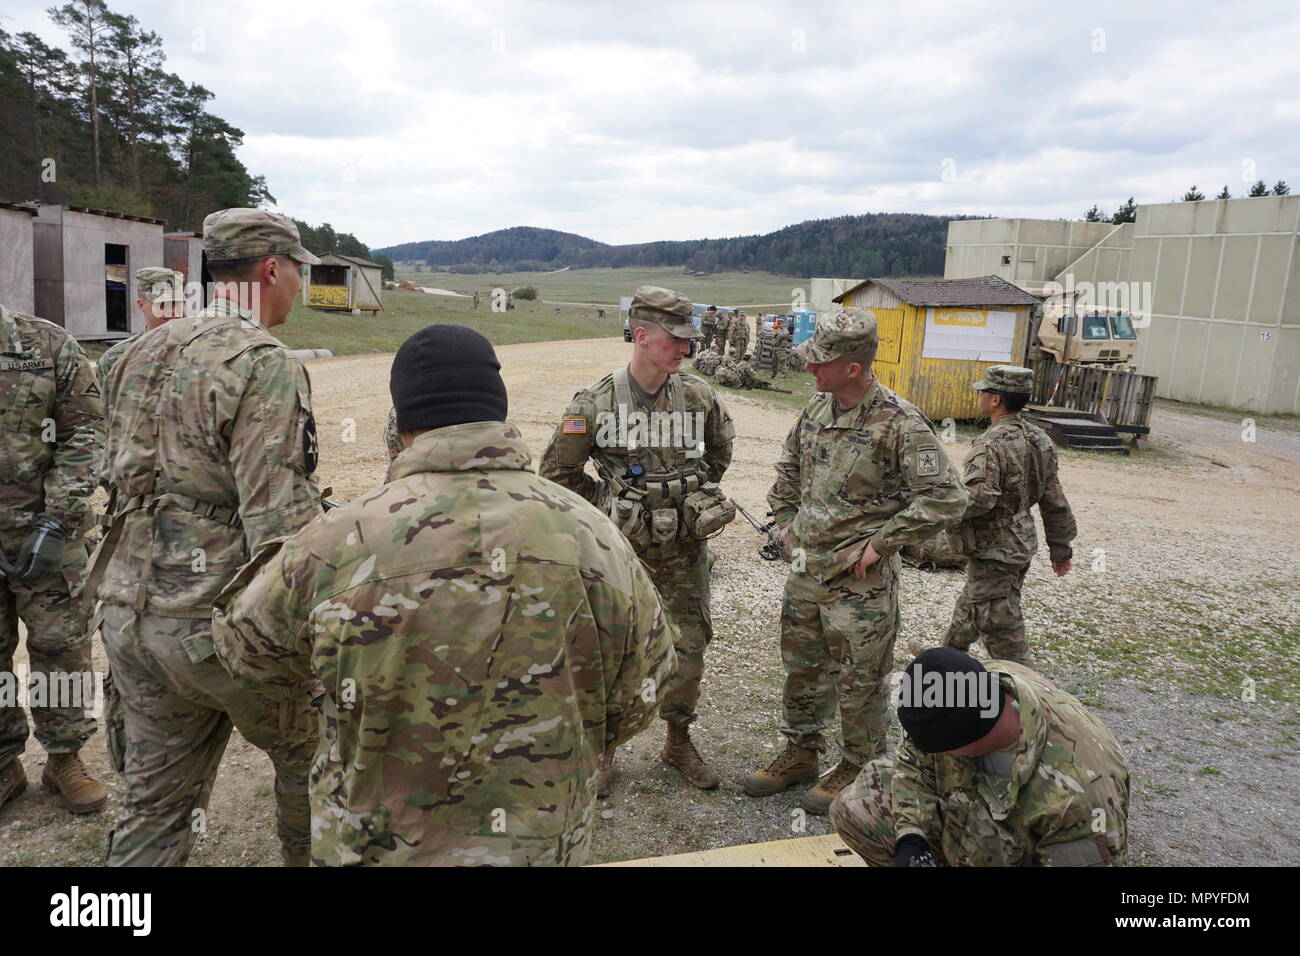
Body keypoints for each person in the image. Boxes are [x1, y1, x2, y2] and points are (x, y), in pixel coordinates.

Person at [212, 326, 678, 866]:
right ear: (497, 411)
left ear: (402, 422)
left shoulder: (334, 541)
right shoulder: (593, 535)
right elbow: (645, 687)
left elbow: (246, 656)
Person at [91, 208, 324, 866]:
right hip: (218, 628)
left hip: (131, 616)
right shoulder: (263, 362)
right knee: (317, 759)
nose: (299, 288)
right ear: (272, 270)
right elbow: (279, 529)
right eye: (298, 272)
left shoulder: (132, 353)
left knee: (154, 803)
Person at [742, 308, 968, 814]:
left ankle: (859, 766)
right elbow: (787, 469)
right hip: (805, 573)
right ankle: (800, 752)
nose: (809, 370)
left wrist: (882, 543)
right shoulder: (817, 409)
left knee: (860, 679)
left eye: (820, 362)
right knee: (802, 668)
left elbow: (947, 499)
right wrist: (783, 522)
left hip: (859, 584)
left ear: (853, 367)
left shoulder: (900, 422)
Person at [539, 286, 736, 796]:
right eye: (676, 339)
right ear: (642, 334)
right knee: (613, 647)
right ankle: (606, 748)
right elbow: (558, 471)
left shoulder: (698, 395)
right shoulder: (596, 402)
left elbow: (720, 450)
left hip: (685, 549)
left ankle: (677, 739)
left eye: (689, 339)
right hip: (621, 551)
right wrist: (608, 507)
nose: (685, 349)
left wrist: (683, 501)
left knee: (689, 645)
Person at [830, 647, 1130, 866]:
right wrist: (912, 838)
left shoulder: (1077, 794)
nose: (933, 755)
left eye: (941, 751)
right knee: (858, 802)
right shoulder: (970, 685)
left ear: (964, 743)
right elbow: (913, 764)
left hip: (1024, 852)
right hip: (973, 827)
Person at [0, 302, 105, 816]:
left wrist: (56, 517)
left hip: (48, 537)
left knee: (60, 647)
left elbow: (84, 433)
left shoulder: (47, 345)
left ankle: (64, 759)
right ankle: (4, 766)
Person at [940, 366, 1076, 668]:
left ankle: (1028, 686)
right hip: (1020, 541)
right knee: (975, 602)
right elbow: (1054, 500)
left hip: (993, 548)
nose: (980, 396)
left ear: (996, 399)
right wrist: (1061, 547)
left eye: (983, 392)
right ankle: (945, 658)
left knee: (1000, 622)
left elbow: (979, 499)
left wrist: (943, 506)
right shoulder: (1040, 439)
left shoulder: (990, 444)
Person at [96, 267, 187, 385]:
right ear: (141, 304)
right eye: (163, 304)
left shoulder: (199, 351)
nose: (173, 312)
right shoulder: (116, 358)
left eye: (178, 303)